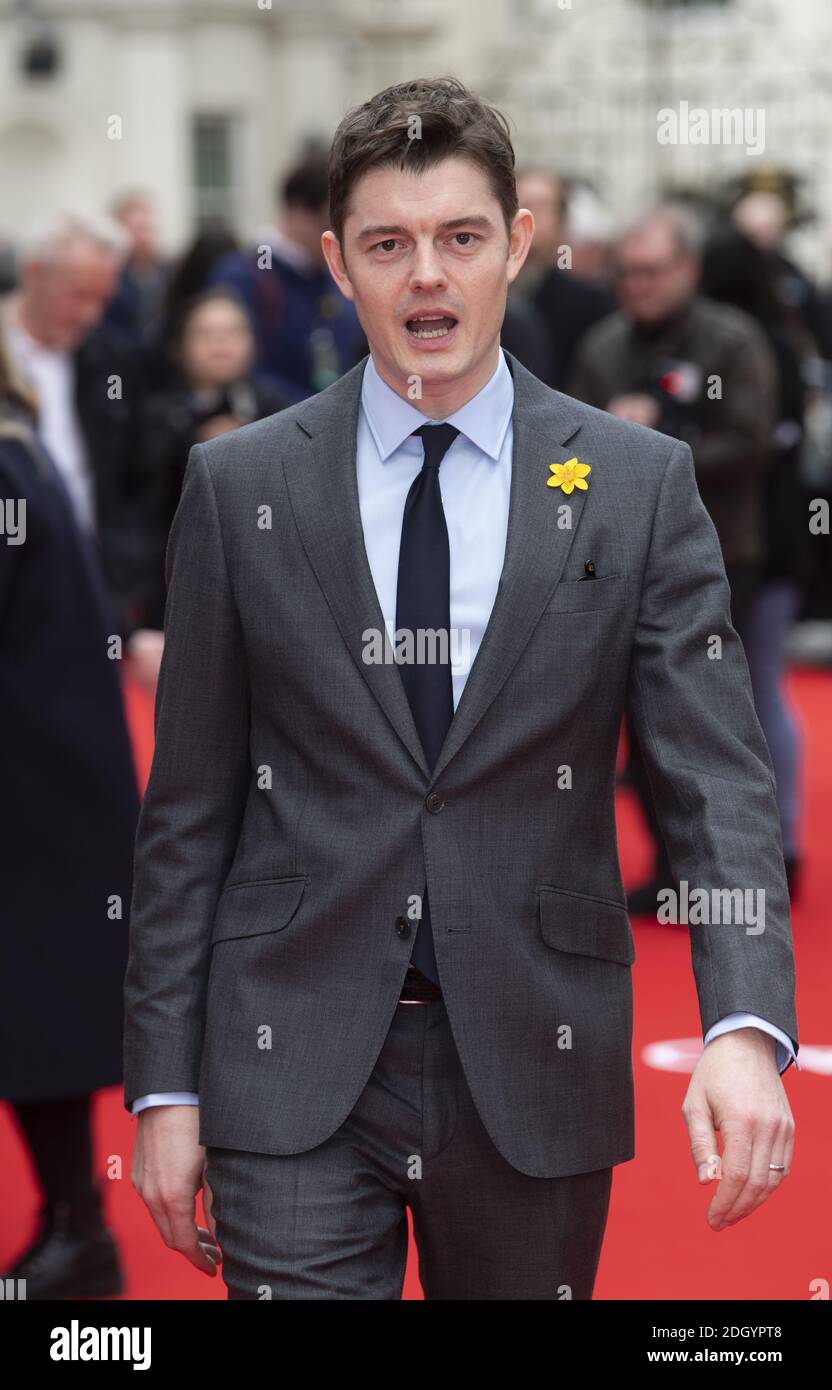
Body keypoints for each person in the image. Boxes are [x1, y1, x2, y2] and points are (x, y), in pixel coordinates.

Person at [125, 78, 798, 1301]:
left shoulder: (636, 484)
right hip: (291, 1054)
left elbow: (715, 784)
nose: (425, 275)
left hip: (534, 1053)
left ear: (518, 248)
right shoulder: (240, 487)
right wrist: (165, 1085)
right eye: (388, 243)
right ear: (338, 263)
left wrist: (742, 1026)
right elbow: (188, 812)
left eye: (460, 238)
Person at [568, 205, 778, 913]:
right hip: (618, 559)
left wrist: (663, 443)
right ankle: (667, 869)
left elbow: (753, 443)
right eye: (629, 272)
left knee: (714, 719)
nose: (640, 285)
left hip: (722, 552)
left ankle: (735, 876)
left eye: (654, 271)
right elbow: (564, 449)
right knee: (635, 719)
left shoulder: (732, 341)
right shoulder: (600, 347)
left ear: (688, 269)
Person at [0, 325, 140, 1297]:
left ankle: (81, 1230)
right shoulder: (19, 440)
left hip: (33, 786)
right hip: (49, 773)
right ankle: (77, 1225)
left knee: (32, 1009)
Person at [1, 210, 164, 693]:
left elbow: (139, 481)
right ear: (35, 274)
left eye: (103, 300)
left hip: (95, 589)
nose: (90, 314)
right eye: (78, 296)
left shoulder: (111, 360)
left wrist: (128, 588)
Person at [139, 287, 289, 629]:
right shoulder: (158, 415)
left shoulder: (275, 406)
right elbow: (145, 501)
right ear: (181, 345)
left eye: (234, 332)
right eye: (206, 334)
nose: (221, 345)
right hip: (177, 579)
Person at [207, 154, 362, 402]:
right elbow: (236, 371)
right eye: (330, 222)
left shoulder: (336, 275)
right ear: (298, 212)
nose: (339, 235)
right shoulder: (243, 275)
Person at [512, 168, 615, 389]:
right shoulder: (480, 292)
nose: (526, 213)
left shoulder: (591, 303)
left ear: (562, 221)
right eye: (518, 202)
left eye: (540, 205)